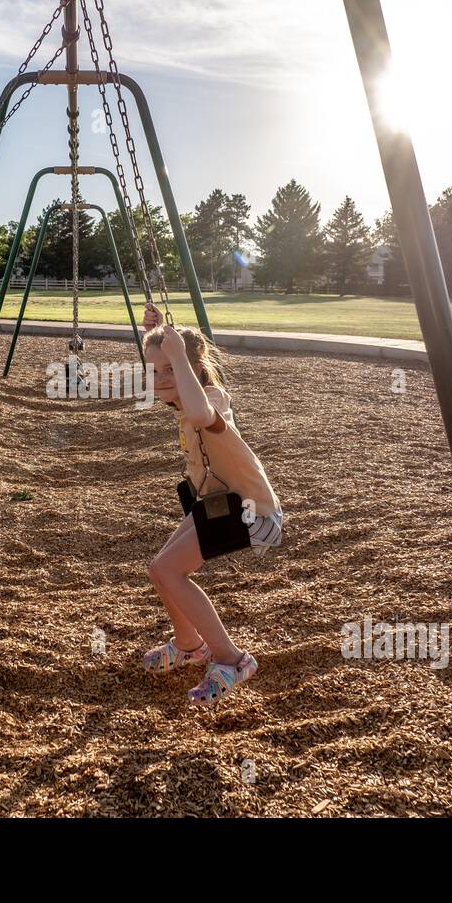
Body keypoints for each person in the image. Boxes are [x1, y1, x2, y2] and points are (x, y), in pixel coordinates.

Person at [140, 302, 282, 705]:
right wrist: (159, 334)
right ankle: (189, 645)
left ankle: (231, 659)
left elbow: (201, 410)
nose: (161, 379)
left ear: (192, 366)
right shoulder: (181, 395)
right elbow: (171, 380)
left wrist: (175, 356)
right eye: (154, 372)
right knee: (159, 569)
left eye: (171, 369)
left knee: (170, 570)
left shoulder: (211, 399)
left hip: (253, 512)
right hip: (222, 504)